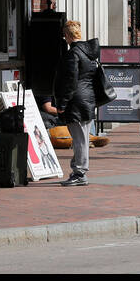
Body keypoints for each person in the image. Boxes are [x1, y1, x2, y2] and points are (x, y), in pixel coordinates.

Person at [44, 20, 98, 186]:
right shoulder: (89, 52)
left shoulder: (73, 54)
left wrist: (62, 104)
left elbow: (70, 82)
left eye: (64, 35)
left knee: (79, 139)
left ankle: (80, 173)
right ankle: (78, 170)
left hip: (76, 102)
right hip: (88, 99)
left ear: (67, 35)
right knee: (81, 138)